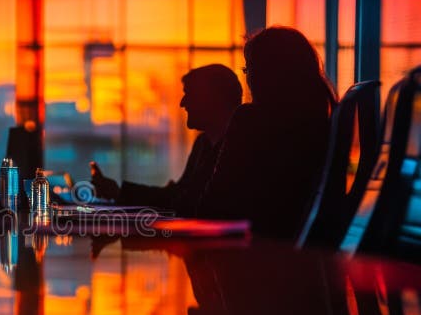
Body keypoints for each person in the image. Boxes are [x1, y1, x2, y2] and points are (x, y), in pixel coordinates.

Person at [198, 26, 337, 239]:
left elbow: (213, 206)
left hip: (249, 252)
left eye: (249, 69)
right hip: (292, 254)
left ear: (268, 73)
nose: (249, 79)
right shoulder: (322, 125)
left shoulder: (250, 121)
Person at [90, 64, 243, 215]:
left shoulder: (237, 149)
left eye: (190, 94)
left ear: (211, 98)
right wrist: (119, 192)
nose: (183, 103)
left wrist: (120, 193)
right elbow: (178, 197)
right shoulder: (205, 144)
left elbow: (180, 199)